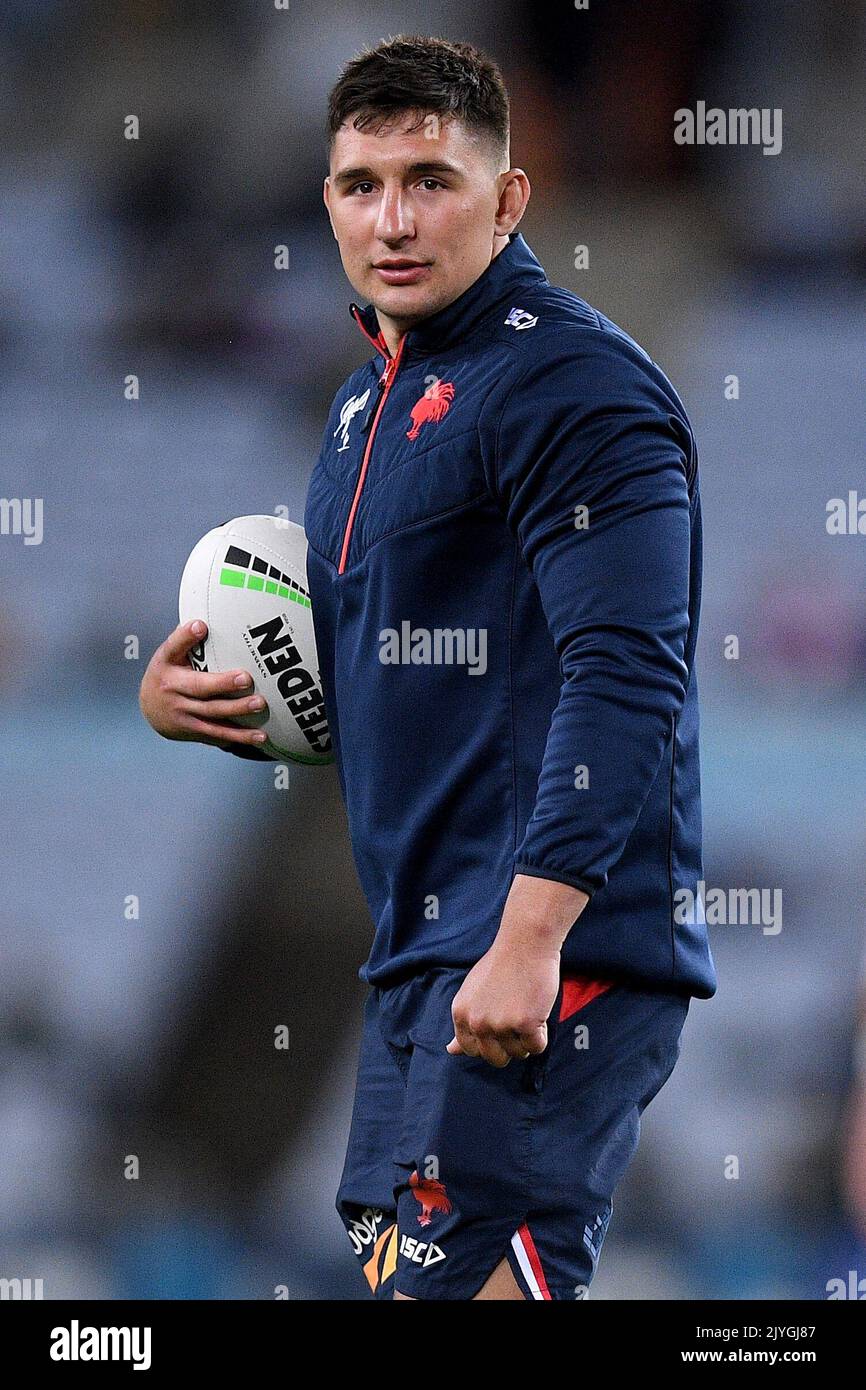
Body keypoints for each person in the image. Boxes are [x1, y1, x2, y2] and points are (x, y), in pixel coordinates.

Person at [140, 34, 717, 1301]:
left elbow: (626, 668)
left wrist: (533, 935)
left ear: (507, 198)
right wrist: (195, 701)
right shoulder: (362, 414)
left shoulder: (576, 385)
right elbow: (387, 688)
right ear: (327, 200)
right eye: (359, 185)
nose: (391, 219)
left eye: (430, 179)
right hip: (416, 966)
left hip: (539, 953)